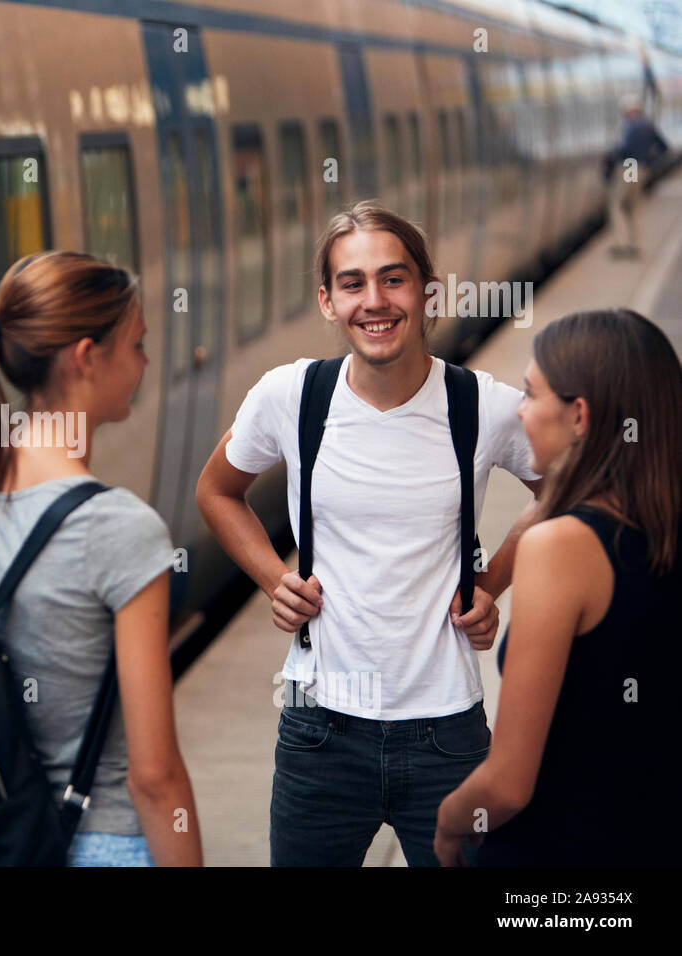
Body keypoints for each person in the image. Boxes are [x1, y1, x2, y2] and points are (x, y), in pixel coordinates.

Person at [196, 201, 545, 866]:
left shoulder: (483, 406)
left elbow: (568, 492)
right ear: (327, 301)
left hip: (448, 736)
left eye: (394, 279)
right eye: (352, 284)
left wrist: (488, 583)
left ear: (427, 291)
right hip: (318, 736)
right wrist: (277, 579)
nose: (374, 301)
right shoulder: (291, 397)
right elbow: (217, 492)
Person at [0, 250, 203, 866]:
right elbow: (154, 778)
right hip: (100, 841)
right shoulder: (119, 528)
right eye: (136, 345)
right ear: (85, 356)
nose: (146, 363)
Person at [435, 309, 682, 867]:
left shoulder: (560, 548)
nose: (520, 411)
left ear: (578, 416)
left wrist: (449, 825)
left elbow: (506, 786)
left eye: (530, 393)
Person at [604, 96, 669, 259]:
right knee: (633, 205)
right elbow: (664, 147)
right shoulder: (648, 125)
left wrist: (611, 158)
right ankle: (635, 243)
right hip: (641, 167)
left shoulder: (631, 127)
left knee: (618, 204)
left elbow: (624, 149)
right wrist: (649, 160)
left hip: (629, 166)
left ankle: (620, 243)